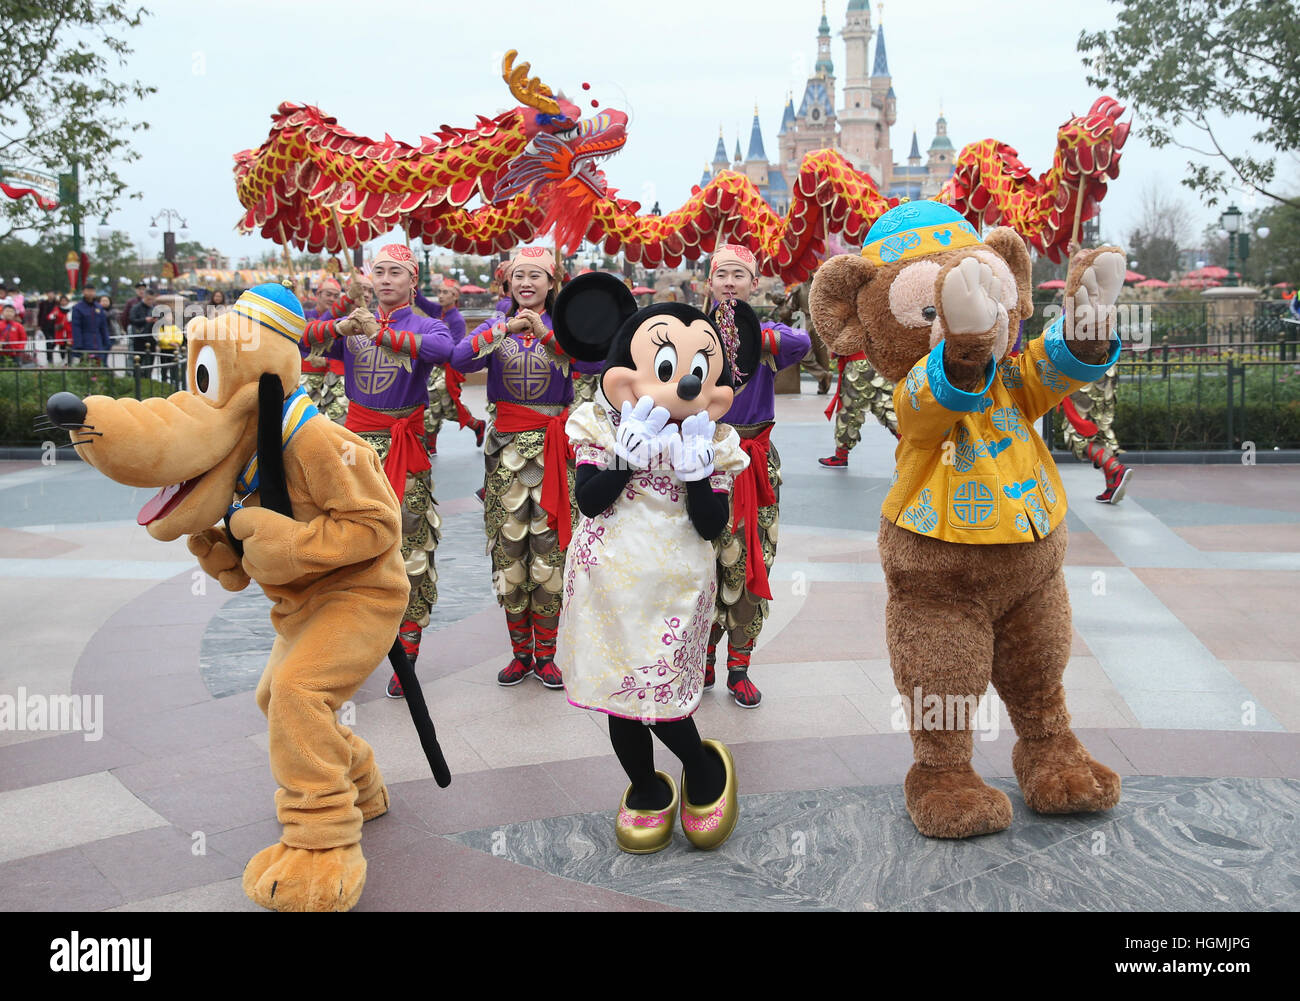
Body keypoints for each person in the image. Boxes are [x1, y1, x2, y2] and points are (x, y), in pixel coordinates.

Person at [552, 273, 752, 853]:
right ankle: (644, 784)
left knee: (662, 694)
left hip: (676, 584)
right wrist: (622, 458)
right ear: (623, 372)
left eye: (699, 369)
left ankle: (702, 766)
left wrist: (695, 478)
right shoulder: (600, 424)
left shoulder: (713, 440)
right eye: (666, 365)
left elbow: (712, 525)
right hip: (607, 580)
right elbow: (589, 499)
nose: (685, 380)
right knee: (619, 694)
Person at [300, 246, 454, 699]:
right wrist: (339, 327)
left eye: (396, 274)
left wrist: (386, 337)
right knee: (351, 542)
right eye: (379, 272)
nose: (386, 280)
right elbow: (298, 339)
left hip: (404, 444)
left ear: (412, 281)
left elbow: (447, 350)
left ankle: (406, 653)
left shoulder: (425, 323)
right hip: (354, 447)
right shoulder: (352, 324)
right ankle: (358, 645)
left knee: (409, 543)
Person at [449, 247, 604, 689]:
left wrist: (549, 338)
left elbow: (595, 360)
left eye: (536, 276)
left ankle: (548, 655)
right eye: (519, 277)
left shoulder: (564, 328)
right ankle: (520, 653)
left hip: (555, 452)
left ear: (552, 284)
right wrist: (504, 328)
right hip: (507, 454)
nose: (527, 284)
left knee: (552, 551)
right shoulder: (496, 328)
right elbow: (459, 358)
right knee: (509, 547)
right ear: (508, 284)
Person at [701, 245, 811, 708]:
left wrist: (757, 337)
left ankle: (740, 667)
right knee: (701, 564)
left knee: (751, 562)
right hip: (702, 461)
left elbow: (803, 344)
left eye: (739, 275)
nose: (729, 282)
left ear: (755, 285)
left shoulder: (769, 334)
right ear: (708, 283)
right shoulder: (692, 336)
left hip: (755, 461)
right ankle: (699, 659)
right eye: (721, 274)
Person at [415, 277, 485, 453]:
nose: (440, 296)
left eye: (445, 292)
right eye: (439, 292)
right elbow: (420, 301)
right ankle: (475, 425)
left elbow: (453, 349)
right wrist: (413, 283)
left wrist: (433, 347)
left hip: (448, 369)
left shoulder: (457, 320)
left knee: (433, 403)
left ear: (455, 296)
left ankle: (429, 445)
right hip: (436, 367)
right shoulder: (438, 311)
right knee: (445, 407)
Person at [817, 350, 899, 467]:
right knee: (888, 409)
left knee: (849, 411)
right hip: (878, 364)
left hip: (857, 365)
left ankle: (841, 455)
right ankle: (912, 449)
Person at [70, 285, 108, 365]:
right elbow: (76, 327)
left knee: (99, 364)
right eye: (88, 291)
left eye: (92, 291)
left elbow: (103, 326)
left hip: (98, 341)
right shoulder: (78, 308)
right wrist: (78, 344)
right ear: (83, 292)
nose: (91, 293)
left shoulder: (98, 307)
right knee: (85, 365)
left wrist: (106, 340)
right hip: (85, 341)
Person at [129, 287, 159, 361]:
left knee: (151, 360)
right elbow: (132, 320)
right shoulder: (136, 308)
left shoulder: (154, 308)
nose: (150, 301)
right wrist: (145, 320)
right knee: (139, 360)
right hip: (139, 337)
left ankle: (148, 373)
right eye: (148, 299)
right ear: (144, 297)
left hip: (151, 338)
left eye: (152, 299)